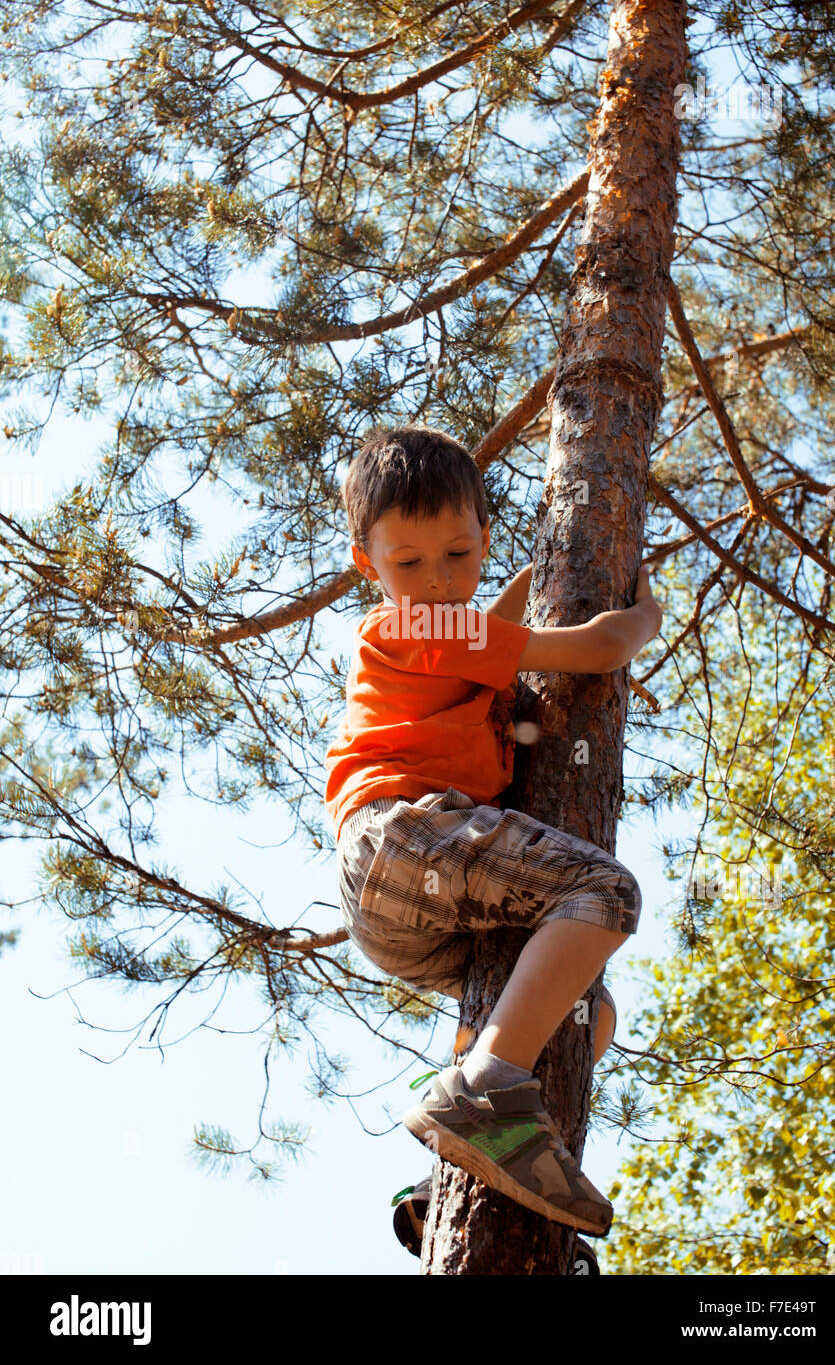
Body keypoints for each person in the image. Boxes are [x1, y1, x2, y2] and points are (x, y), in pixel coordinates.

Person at [324, 424, 663, 1240]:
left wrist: (526, 580)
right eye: (409, 565)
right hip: (400, 836)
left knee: (588, 1008)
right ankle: (483, 1090)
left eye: (460, 557)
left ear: (481, 539)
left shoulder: (449, 643)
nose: (439, 583)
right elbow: (601, 645)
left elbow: (494, 642)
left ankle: (464, 1139)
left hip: (411, 909)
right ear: (368, 567)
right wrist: (642, 616)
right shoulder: (411, 629)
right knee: (604, 888)